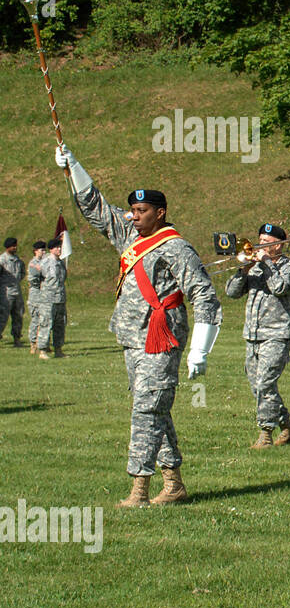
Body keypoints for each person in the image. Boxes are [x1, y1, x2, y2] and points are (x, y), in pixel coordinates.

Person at [57, 145, 221, 506]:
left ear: (160, 213)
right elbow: (95, 207)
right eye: (132, 210)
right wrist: (74, 166)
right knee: (156, 408)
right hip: (132, 337)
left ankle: (139, 490)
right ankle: (174, 484)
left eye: (141, 211)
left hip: (160, 340)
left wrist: (200, 349)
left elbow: (205, 296)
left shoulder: (177, 248)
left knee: (146, 411)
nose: (133, 217)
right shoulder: (131, 235)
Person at [225, 223, 290, 448]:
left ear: (279, 246)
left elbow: (280, 288)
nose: (260, 246)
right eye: (260, 241)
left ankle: (265, 433)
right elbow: (231, 292)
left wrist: (267, 263)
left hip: (277, 334)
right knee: (258, 387)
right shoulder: (255, 267)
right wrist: (244, 271)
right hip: (252, 335)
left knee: (265, 384)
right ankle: (287, 428)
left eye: (267, 243)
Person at [33, 237, 67, 358]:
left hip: (60, 298)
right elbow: (35, 278)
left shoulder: (61, 263)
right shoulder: (45, 262)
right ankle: (42, 350)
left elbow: (63, 279)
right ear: (51, 249)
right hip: (48, 299)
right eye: (57, 247)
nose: (59, 249)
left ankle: (58, 349)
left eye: (60, 247)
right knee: (46, 323)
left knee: (60, 325)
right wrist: (43, 292)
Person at [0, 237, 24, 347]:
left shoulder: (18, 260)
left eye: (16, 245)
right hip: (6, 293)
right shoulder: (2, 260)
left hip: (17, 293)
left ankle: (17, 339)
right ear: (7, 247)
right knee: (2, 317)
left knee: (18, 316)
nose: (15, 247)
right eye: (13, 246)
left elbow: (22, 273)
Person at [26, 241, 46, 353]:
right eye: (41, 250)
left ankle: (43, 342)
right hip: (36, 295)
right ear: (35, 251)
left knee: (45, 320)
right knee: (36, 319)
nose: (43, 252)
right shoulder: (33, 264)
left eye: (44, 250)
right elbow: (33, 280)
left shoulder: (45, 262)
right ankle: (33, 343)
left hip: (44, 295)